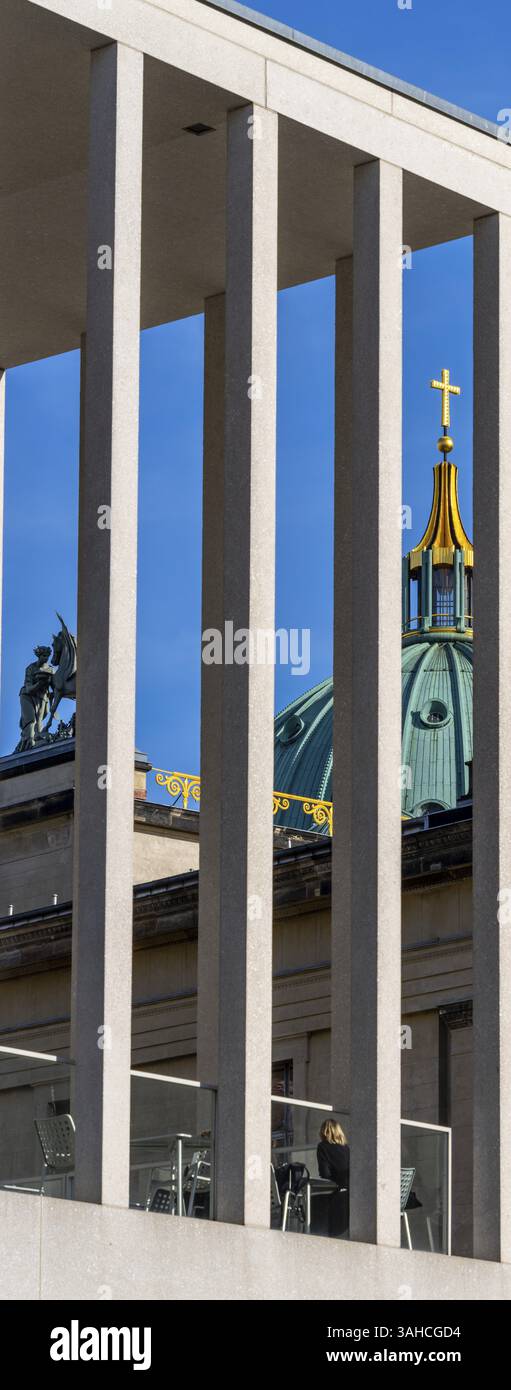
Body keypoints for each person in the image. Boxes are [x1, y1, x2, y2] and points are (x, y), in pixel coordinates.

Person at [317, 1118, 349, 1237]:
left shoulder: (322, 1147)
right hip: (350, 1190)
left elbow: (325, 1173)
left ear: (323, 1132)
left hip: (338, 1190)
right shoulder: (346, 1148)